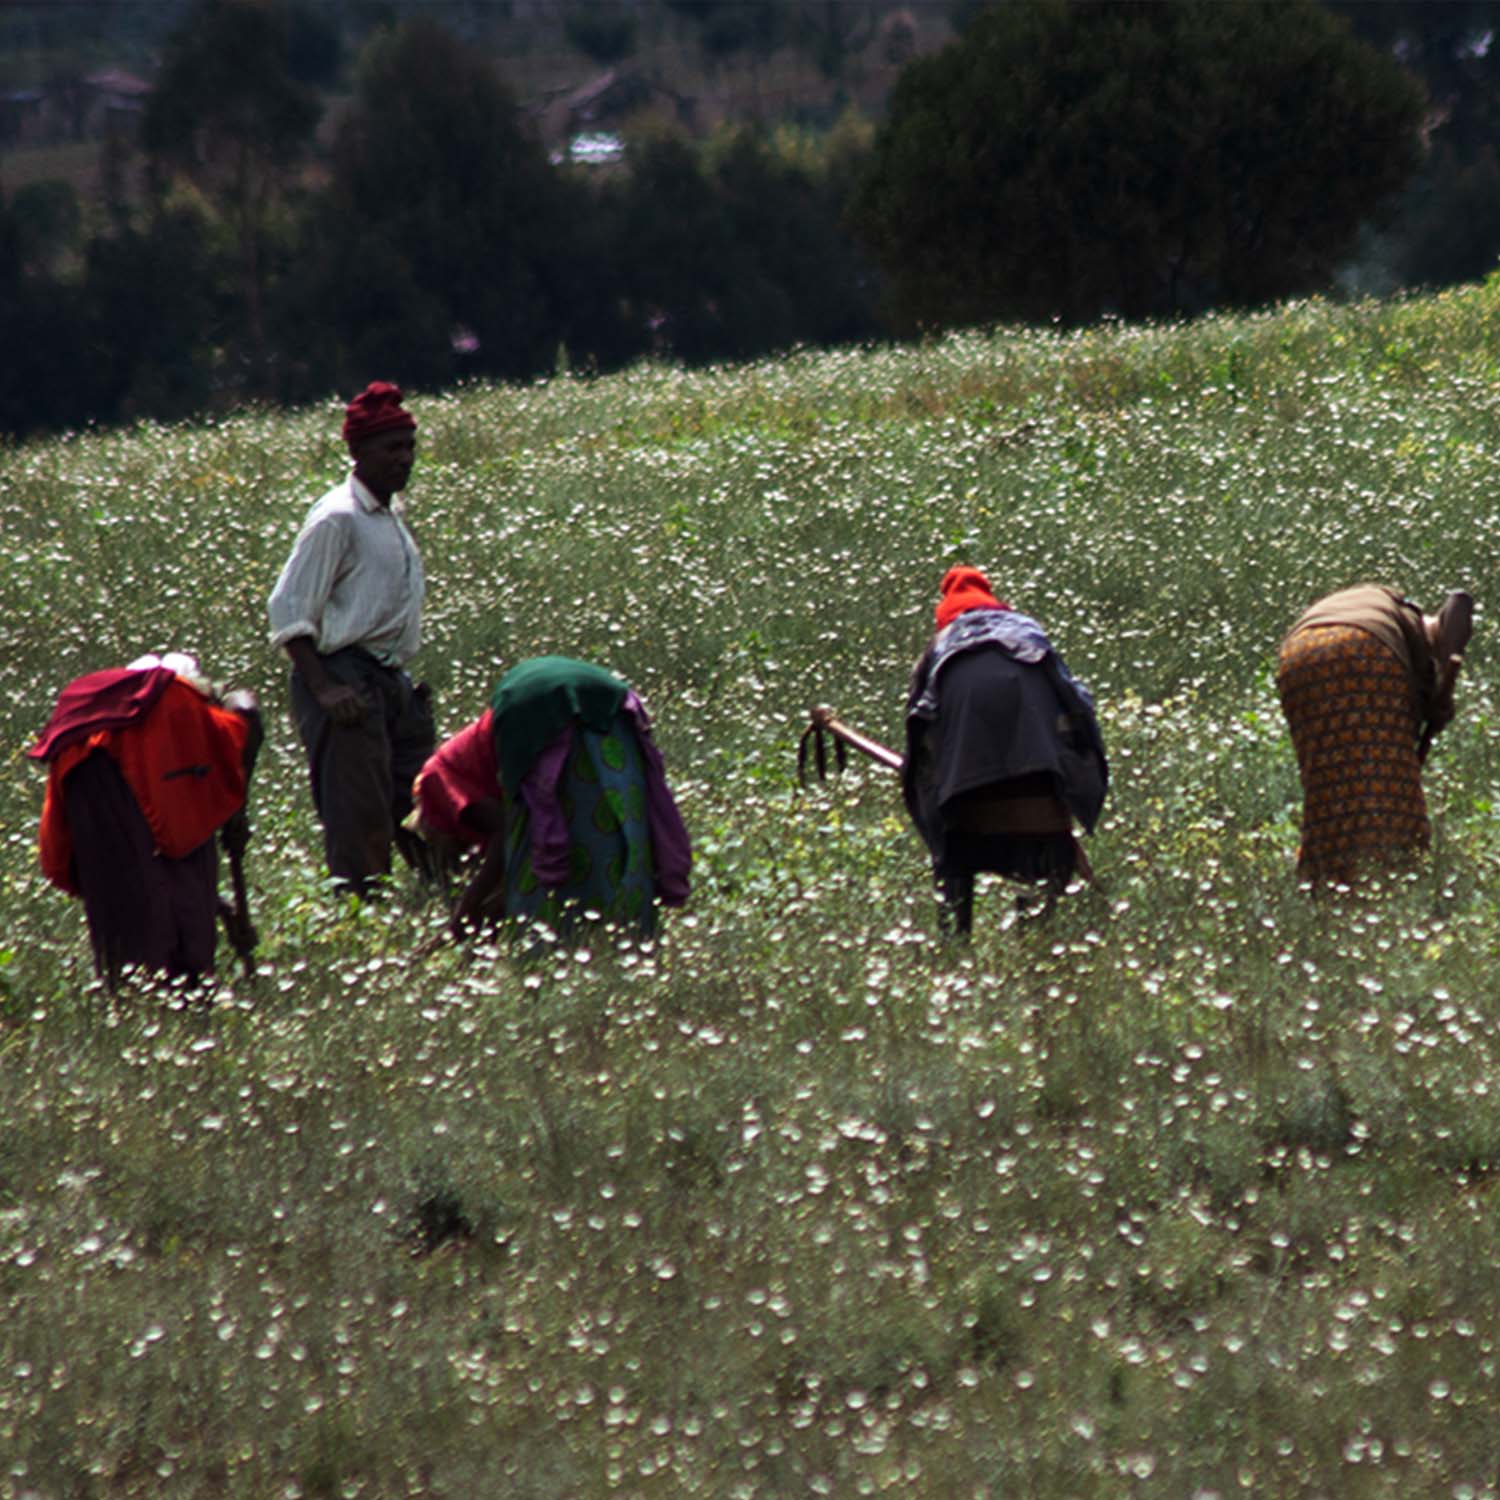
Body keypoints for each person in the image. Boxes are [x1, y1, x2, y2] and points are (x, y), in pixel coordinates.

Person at [267, 381, 435, 895]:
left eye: (408, 447)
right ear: (358, 453)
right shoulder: (337, 518)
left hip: (387, 679)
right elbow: (289, 607)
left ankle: (438, 896)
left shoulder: (388, 515)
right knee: (358, 810)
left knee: (419, 797)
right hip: (344, 678)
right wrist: (323, 688)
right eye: (391, 449)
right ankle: (362, 910)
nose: (403, 459)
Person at [407, 656, 691, 943]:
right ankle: (628, 940)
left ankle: (584, 943)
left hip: (549, 716)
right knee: (619, 834)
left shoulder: (435, 784)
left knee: (573, 846)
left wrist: (463, 918)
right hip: (615, 712)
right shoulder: (469, 759)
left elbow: (507, 836)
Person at [29, 653, 262, 984]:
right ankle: (183, 987)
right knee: (179, 891)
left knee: (116, 890)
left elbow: (146, 866)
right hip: (135, 774)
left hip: (84, 779)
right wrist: (237, 812)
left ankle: (129, 991)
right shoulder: (186, 707)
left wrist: (223, 910)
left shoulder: (101, 717)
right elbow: (247, 712)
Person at [903, 566, 1108, 936]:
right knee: (1044, 914)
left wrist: (932, 814)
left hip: (965, 816)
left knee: (951, 857)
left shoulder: (938, 651)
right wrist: (1074, 793)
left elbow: (921, 742)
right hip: (1042, 814)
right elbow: (1078, 708)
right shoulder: (1031, 639)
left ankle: (954, 947)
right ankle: (1041, 954)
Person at [1277, 583, 1471, 886]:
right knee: (1393, 801)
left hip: (1297, 655)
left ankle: (1326, 888)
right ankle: (1391, 884)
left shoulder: (1385, 605)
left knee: (1327, 793)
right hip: (1364, 650)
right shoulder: (1411, 633)